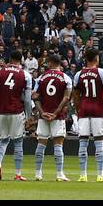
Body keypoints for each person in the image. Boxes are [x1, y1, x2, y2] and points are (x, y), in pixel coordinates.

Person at [0, 50, 32, 181]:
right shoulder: (25, 75)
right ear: (21, 60)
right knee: (18, 142)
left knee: (3, 140)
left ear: (9, 58)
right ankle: (18, 173)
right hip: (16, 111)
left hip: (1, 111)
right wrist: (29, 116)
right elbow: (27, 99)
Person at [73, 46, 103, 182]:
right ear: (96, 58)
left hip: (84, 110)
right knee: (99, 143)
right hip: (97, 110)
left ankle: (83, 175)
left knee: (83, 143)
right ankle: (100, 175)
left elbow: (75, 95)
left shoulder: (79, 74)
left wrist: (78, 109)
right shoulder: (101, 72)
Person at [32, 52, 72, 182]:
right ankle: (59, 174)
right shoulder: (65, 78)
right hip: (58, 116)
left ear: (50, 63)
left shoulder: (41, 78)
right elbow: (66, 97)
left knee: (41, 144)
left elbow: (35, 97)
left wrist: (42, 112)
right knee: (58, 145)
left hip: (44, 116)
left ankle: (38, 174)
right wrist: (55, 113)